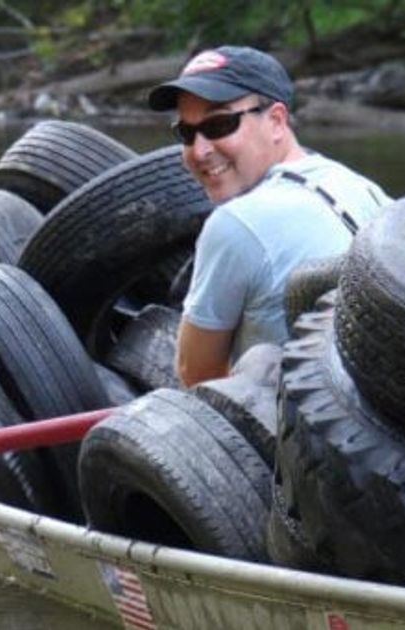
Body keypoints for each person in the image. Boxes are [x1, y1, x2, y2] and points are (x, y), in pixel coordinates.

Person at [147, 45, 392, 387]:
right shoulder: (359, 186)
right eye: (186, 133)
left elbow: (195, 377)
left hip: (301, 432)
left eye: (219, 124)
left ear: (276, 121)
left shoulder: (236, 223)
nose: (199, 150)